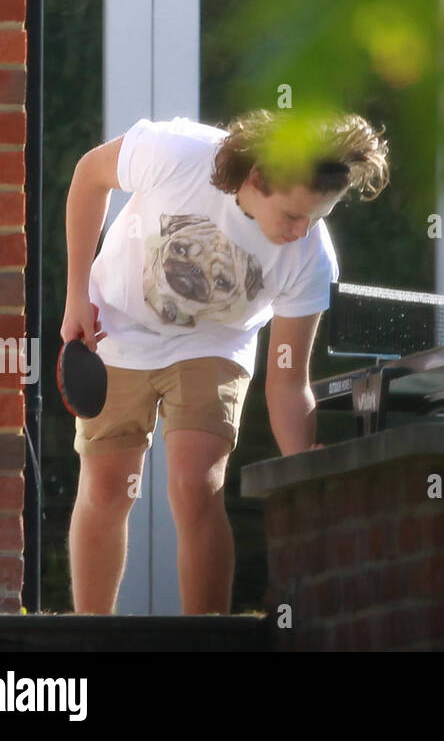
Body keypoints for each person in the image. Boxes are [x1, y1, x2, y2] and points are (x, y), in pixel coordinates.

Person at [61, 110, 389, 613]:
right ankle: (90, 636)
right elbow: (89, 175)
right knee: (108, 490)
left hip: (213, 345)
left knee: (196, 484)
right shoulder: (175, 153)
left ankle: (205, 637)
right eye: (294, 216)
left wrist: (300, 464)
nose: (303, 232)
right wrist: (76, 295)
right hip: (118, 324)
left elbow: (287, 380)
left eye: (317, 219)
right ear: (257, 180)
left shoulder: (310, 259)